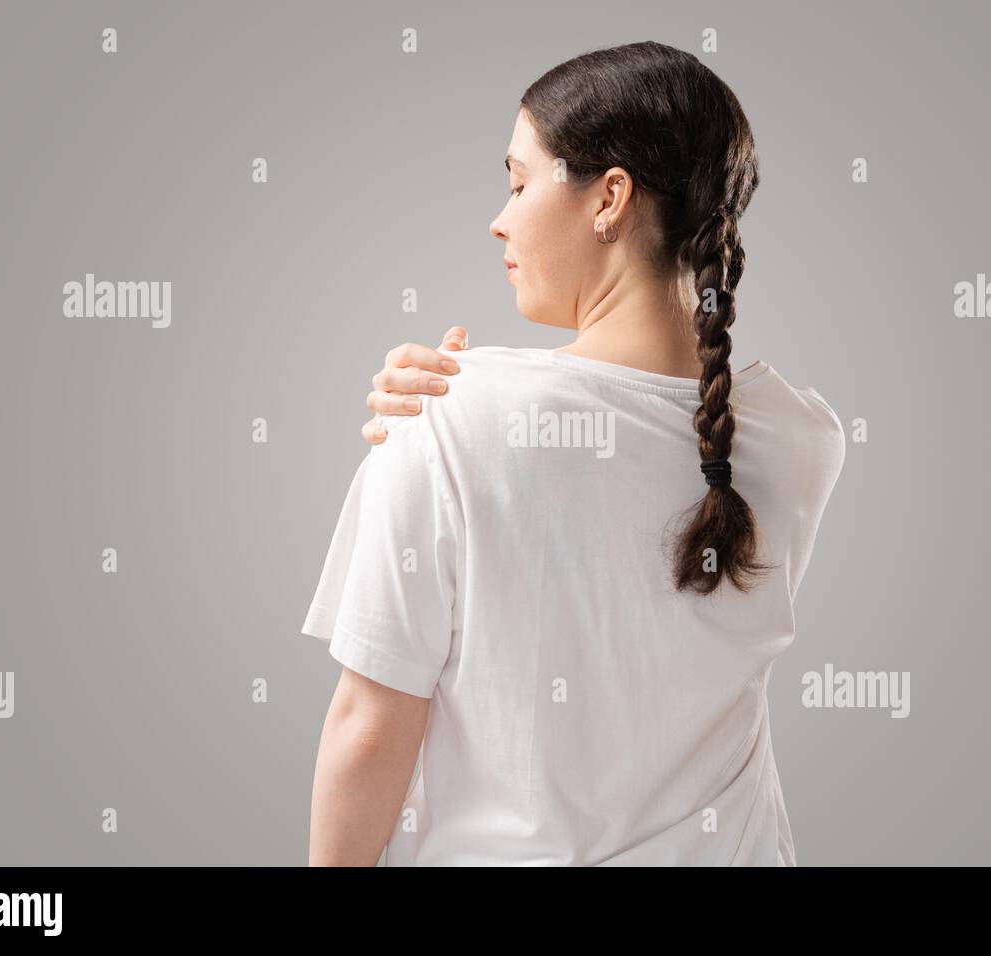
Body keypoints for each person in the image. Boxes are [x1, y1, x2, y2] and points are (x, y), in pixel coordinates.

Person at [302, 40, 847, 866]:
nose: (499, 217)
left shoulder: (447, 415)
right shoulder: (807, 437)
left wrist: (437, 416)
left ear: (610, 198)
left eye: (520, 182)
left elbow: (369, 728)